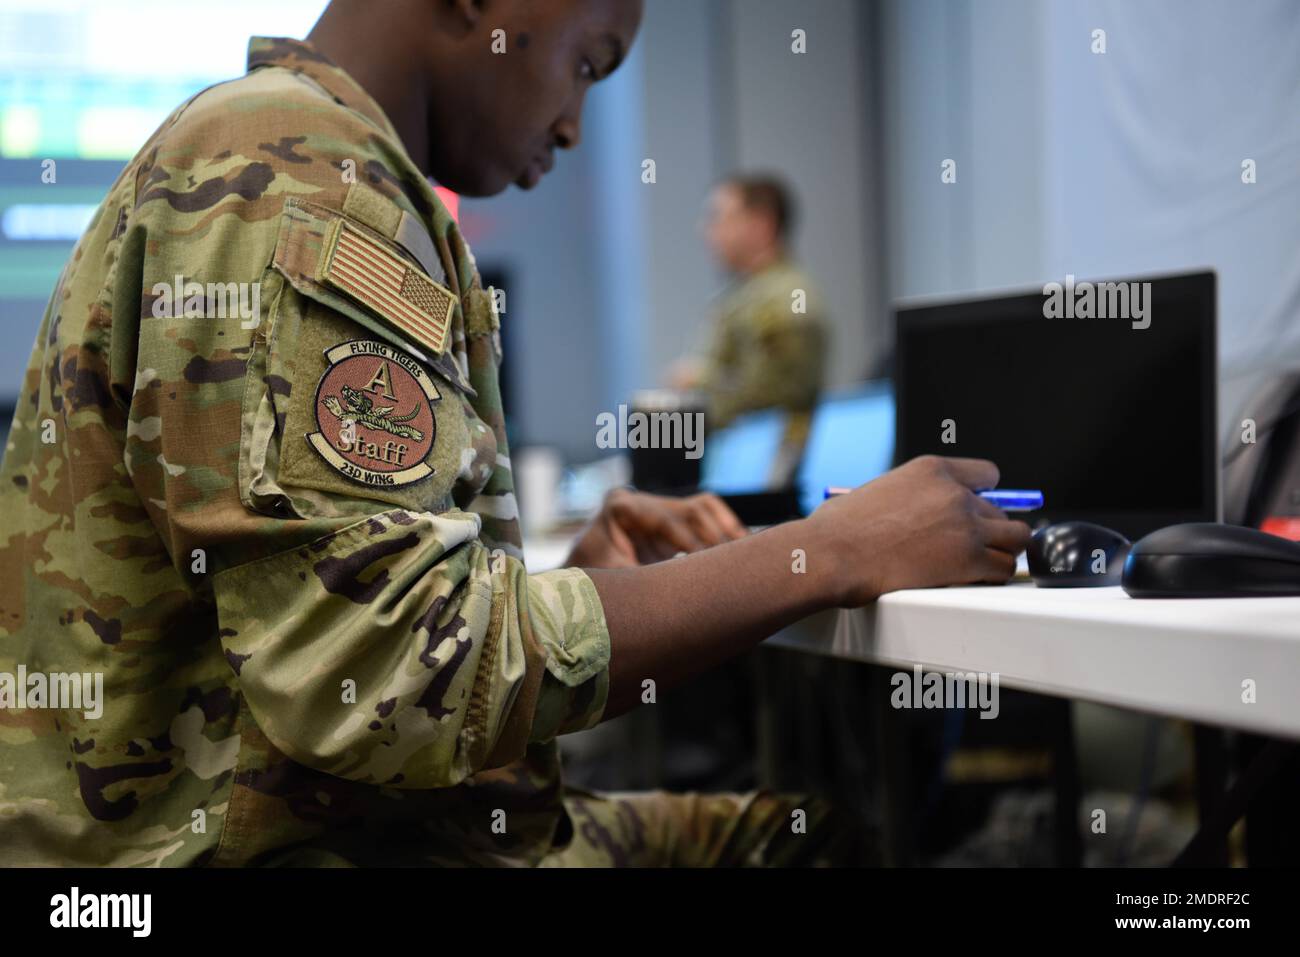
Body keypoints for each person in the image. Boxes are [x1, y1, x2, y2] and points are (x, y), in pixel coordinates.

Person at [0, 0, 1029, 866]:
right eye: (586, 63)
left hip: (274, 822)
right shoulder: (302, 177)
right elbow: (394, 678)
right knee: (806, 840)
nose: (578, 123)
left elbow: (352, 628)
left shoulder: (293, 153)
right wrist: (829, 553)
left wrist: (550, 593)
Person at [671, 175, 828, 484]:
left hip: (769, 470)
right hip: (740, 459)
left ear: (760, 225)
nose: (706, 231)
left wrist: (697, 380)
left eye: (718, 218)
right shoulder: (747, 294)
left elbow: (771, 397)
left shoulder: (786, 299)